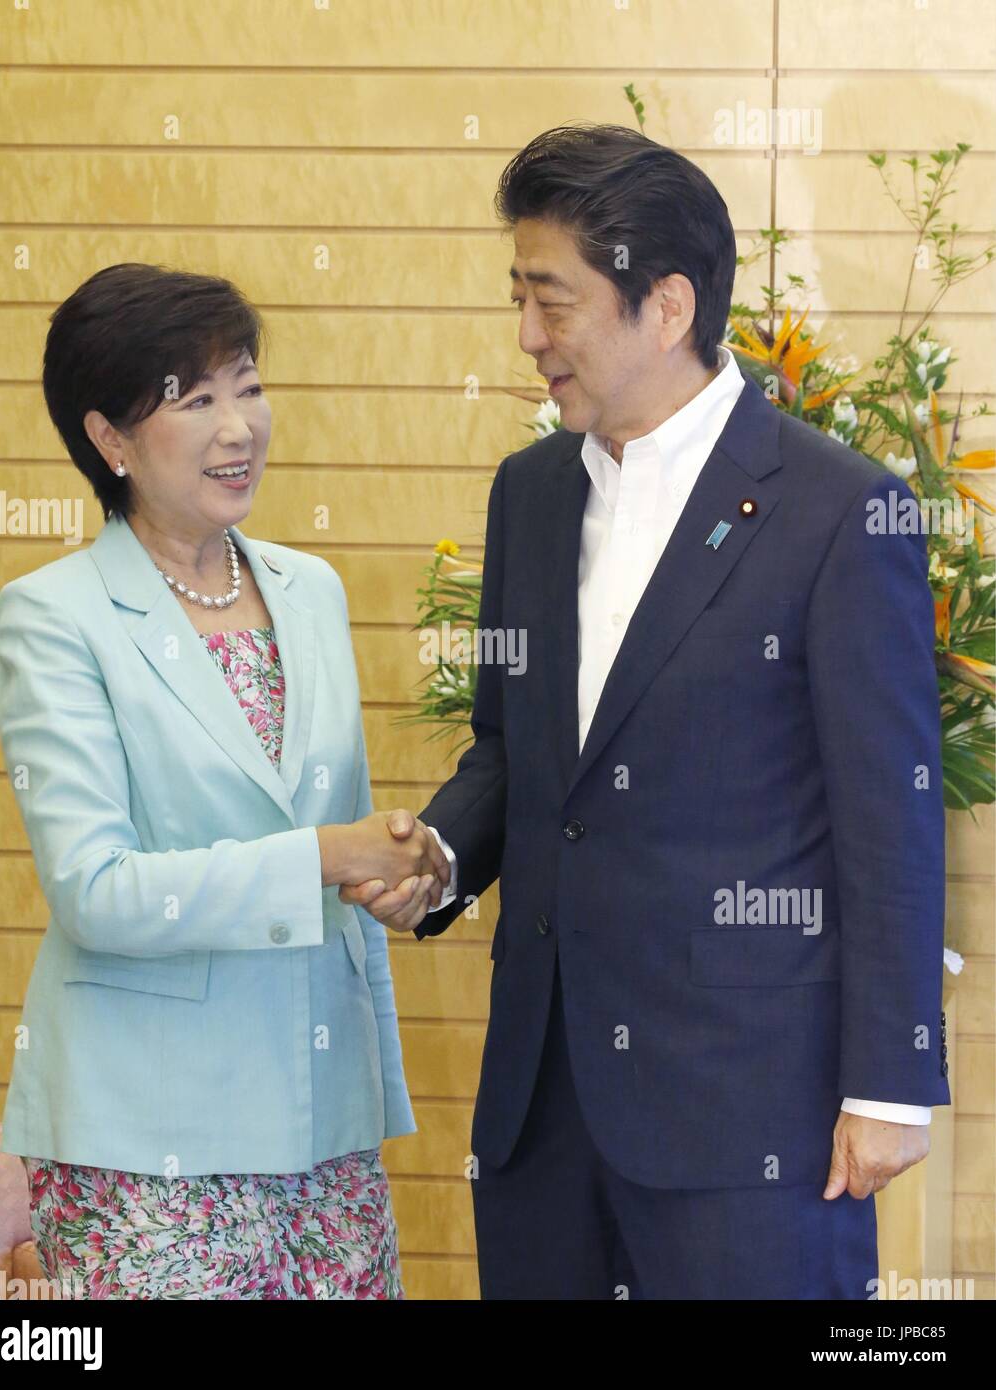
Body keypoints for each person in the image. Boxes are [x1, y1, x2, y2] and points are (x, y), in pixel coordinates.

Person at [344, 126, 951, 1299]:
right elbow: (514, 751)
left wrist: (887, 1086)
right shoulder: (527, 492)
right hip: (541, 1104)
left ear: (664, 305)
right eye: (517, 299)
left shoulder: (838, 510)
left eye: (551, 301)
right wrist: (442, 855)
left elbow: (891, 817)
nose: (527, 338)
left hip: (749, 1116)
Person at [0, 263, 449, 1299]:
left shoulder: (311, 589)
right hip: (144, 1138)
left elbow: (337, 836)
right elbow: (95, 888)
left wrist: (395, 875)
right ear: (109, 438)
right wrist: (324, 856)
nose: (237, 425)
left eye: (246, 385)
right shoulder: (55, 614)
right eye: (193, 400)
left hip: (322, 1118)